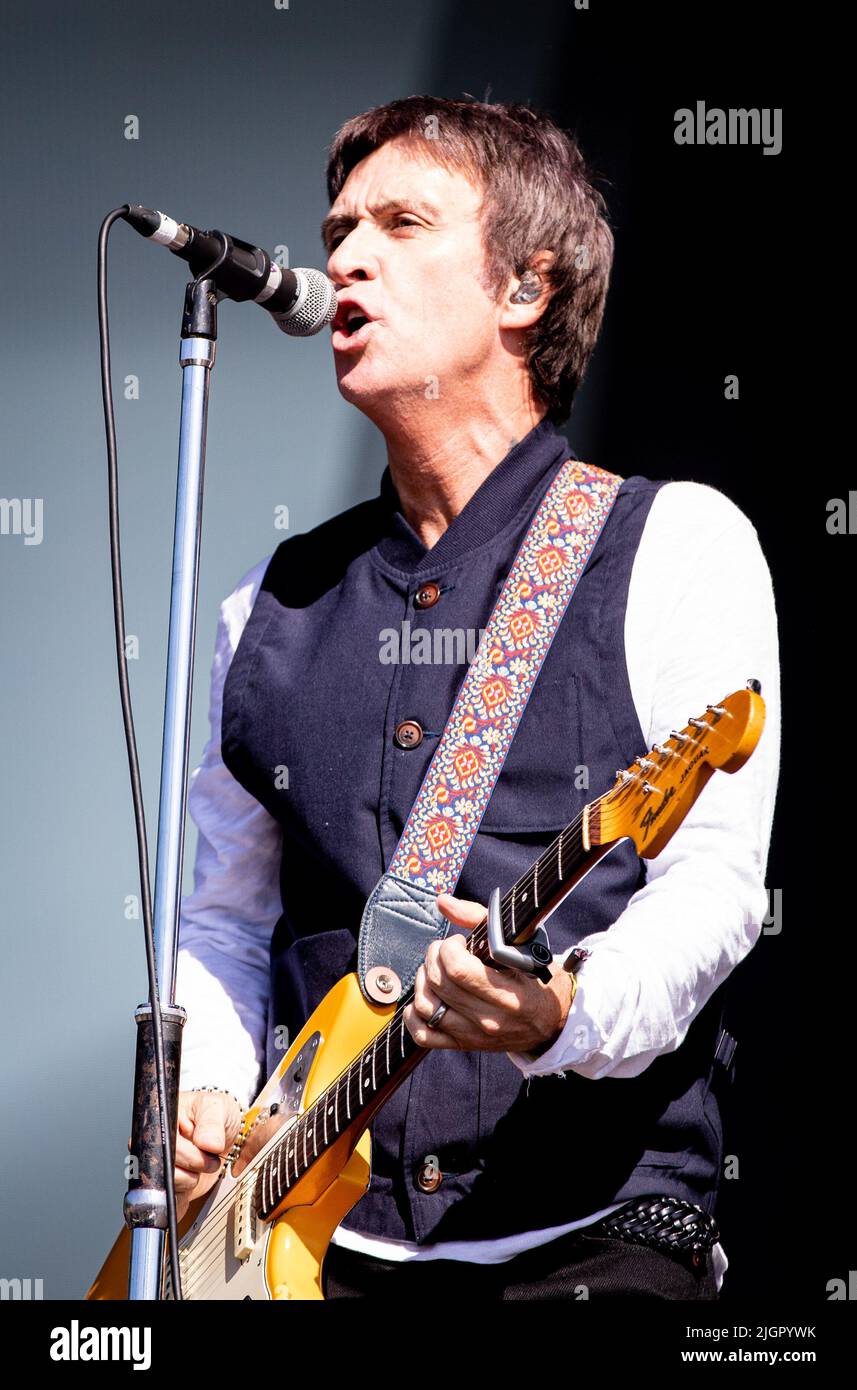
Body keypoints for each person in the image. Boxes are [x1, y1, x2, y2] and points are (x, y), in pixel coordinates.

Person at [171, 96, 780, 1300]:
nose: (343, 256)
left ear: (523, 289)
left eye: (400, 222)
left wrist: (563, 1012)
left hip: (590, 1239)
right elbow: (226, 922)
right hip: (307, 1247)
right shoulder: (268, 605)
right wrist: (204, 1092)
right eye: (340, 226)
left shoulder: (675, 544)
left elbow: (712, 886)